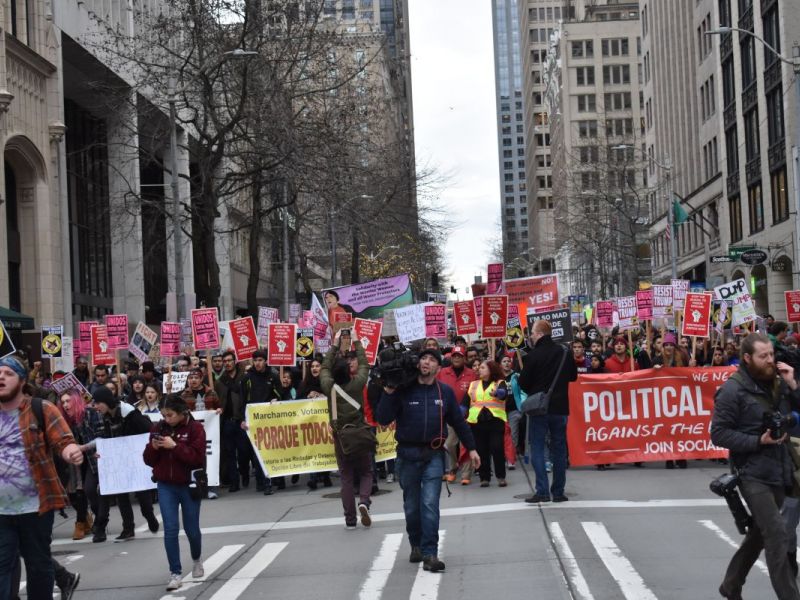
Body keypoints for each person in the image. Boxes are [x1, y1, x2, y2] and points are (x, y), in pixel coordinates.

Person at [711, 333, 800, 600]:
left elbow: (795, 414)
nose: (770, 360)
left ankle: (731, 584)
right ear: (747, 358)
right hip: (750, 470)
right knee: (777, 533)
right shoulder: (732, 390)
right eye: (763, 356)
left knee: (761, 533)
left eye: (771, 354)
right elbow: (719, 434)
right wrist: (756, 441)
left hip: (780, 468)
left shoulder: (778, 383)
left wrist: (793, 386)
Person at [376, 348, 480, 572]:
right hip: (407, 455)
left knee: (430, 505)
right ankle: (416, 544)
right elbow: (383, 418)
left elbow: (459, 423)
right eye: (423, 358)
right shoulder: (404, 390)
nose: (426, 362)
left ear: (438, 368)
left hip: (433, 456)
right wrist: (389, 390)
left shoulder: (444, 392)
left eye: (432, 359)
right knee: (412, 507)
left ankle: (430, 553)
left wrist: (471, 448)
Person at [0, 356, 84, 600]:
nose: (1, 377)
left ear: (22, 380)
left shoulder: (41, 408)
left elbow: (63, 440)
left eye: (8, 373)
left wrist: (70, 452)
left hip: (36, 507)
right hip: (1, 513)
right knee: (3, 569)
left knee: (38, 567)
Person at [143, 395, 207, 592]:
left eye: (170, 415)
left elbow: (197, 458)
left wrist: (175, 446)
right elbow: (148, 460)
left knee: (192, 529)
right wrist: (152, 448)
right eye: (163, 415)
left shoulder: (195, 429)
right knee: (170, 529)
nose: (166, 419)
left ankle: (196, 559)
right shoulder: (158, 428)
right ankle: (175, 573)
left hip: (189, 485)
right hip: (165, 485)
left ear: (182, 412)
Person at [85, 386, 159, 542]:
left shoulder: (129, 413)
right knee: (121, 494)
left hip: (136, 458)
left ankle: (150, 516)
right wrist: (101, 451)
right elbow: (106, 438)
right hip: (119, 460)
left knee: (142, 492)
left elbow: (149, 430)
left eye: (98, 403)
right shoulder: (105, 417)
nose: (96, 407)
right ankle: (128, 528)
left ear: (106, 401)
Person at [518, 320, 578, 503]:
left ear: (539, 334)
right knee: (559, 449)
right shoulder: (564, 352)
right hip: (560, 408)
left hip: (539, 409)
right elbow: (573, 376)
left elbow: (523, 384)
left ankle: (542, 491)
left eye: (532, 334)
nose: (530, 337)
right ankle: (558, 492)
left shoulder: (532, 356)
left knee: (537, 447)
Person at [320, 334, 373, 529]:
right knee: (367, 472)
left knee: (346, 478)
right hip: (359, 432)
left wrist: (334, 345)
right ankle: (364, 502)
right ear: (349, 371)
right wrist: (357, 341)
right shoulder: (358, 383)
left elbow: (324, 366)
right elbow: (365, 364)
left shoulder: (328, 386)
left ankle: (350, 519)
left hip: (340, 437)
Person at [436, 345, 477, 483]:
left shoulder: (472, 374)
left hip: (467, 415)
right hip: (449, 415)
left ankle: (466, 475)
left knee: (465, 445)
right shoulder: (443, 373)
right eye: (455, 356)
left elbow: (475, 391)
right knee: (450, 444)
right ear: (451, 358)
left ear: (464, 358)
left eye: (460, 356)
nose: (457, 358)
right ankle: (452, 469)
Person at [240, 350, 279, 494]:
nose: (258, 363)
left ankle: (270, 481)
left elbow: (280, 393)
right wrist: (242, 419)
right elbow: (243, 400)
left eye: (260, 360)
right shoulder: (247, 379)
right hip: (253, 420)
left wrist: (276, 400)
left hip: (270, 419)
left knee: (269, 449)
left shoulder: (273, 376)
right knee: (257, 452)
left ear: (266, 361)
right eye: (255, 360)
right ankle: (261, 481)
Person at [466, 361, 509, 487]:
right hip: (477, 421)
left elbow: (504, 394)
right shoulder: (473, 384)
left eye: (483, 367)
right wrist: (459, 411)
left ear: (491, 370)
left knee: (497, 448)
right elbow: (466, 400)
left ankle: (501, 476)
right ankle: (484, 478)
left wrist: (497, 393)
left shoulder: (500, 383)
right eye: (479, 368)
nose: (479, 369)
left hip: (495, 421)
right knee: (481, 450)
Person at [57, 390, 93, 541]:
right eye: (63, 402)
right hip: (69, 462)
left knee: (82, 491)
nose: (65, 405)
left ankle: (79, 523)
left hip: (88, 459)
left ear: (76, 401)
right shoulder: (61, 421)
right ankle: (85, 517)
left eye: (68, 401)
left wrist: (83, 448)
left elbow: (97, 437)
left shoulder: (87, 415)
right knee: (71, 495)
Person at [215, 351, 248, 493]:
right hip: (227, 421)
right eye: (225, 361)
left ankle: (245, 473)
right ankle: (234, 482)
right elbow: (217, 400)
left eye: (229, 360)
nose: (227, 363)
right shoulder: (220, 382)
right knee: (229, 454)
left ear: (235, 361)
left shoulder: (244, 378)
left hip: (241, 420)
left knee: (243, 452)